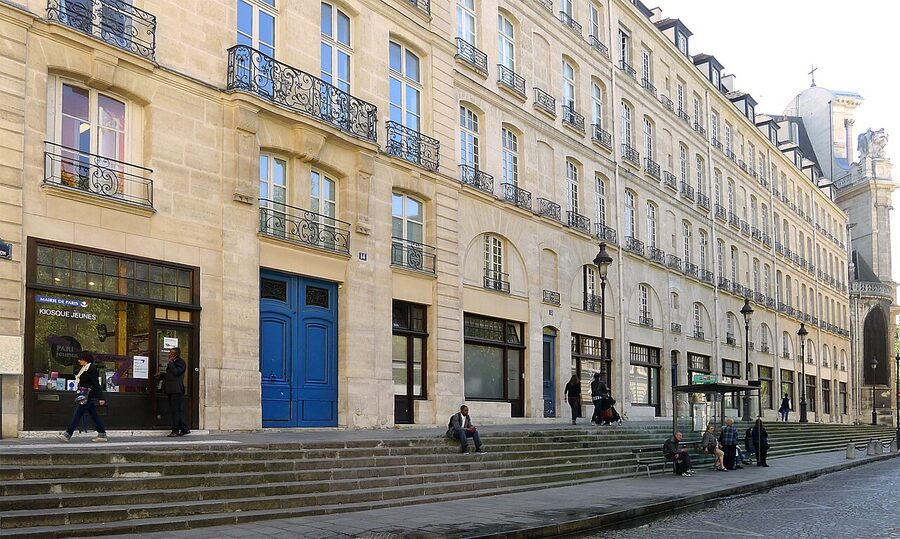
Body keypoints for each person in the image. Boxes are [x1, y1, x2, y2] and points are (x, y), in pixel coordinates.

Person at [56, 351, 107, 442]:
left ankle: (68, 434)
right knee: (94, 415)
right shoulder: (83, 368)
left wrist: (101, 397)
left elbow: (96, 384)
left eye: (81, 359)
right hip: (84, 395)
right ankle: (102, 434)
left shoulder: (91, 369)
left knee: (78, 413)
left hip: (88, 396)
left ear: (86, 359)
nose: (79, 360)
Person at [159, 346, 190, 437]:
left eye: (171, 353)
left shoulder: (181, 362)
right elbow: (171, 375)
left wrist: (171, 363)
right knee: (175, 410)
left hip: (176, 390)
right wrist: (161, 375)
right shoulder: (173, 363)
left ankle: (175, 430)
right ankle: (184, 429)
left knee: (176, 411)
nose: (169, 354)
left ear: (176, 354)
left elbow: (177, 373)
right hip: (170, 389)